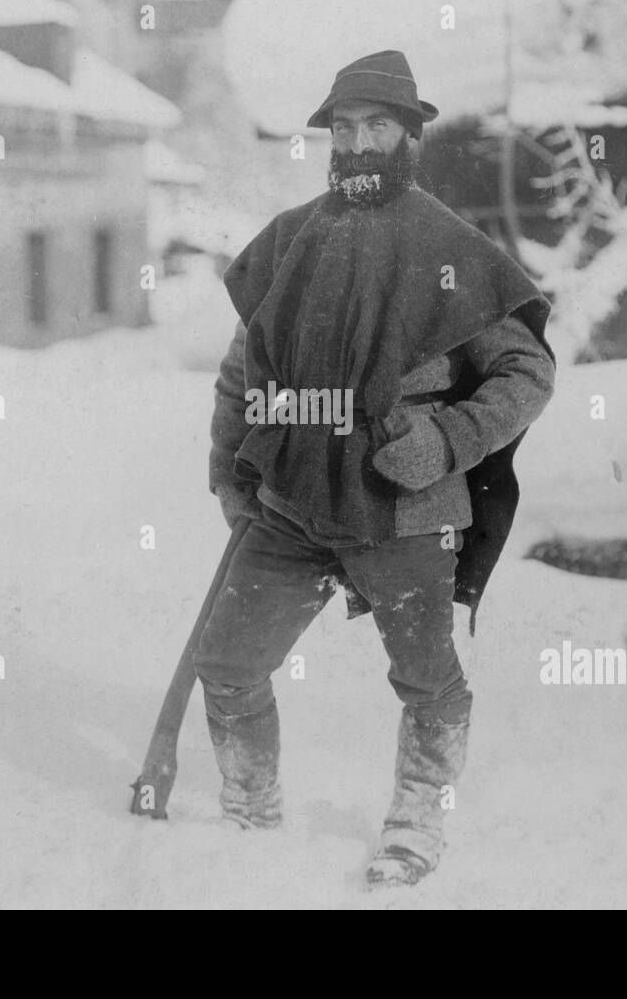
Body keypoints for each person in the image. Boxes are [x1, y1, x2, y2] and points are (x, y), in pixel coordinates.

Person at [196, 49, 556, 887]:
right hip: (289, 498)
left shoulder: (453, 248)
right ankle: (250, 812)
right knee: (229, 662)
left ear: (409, 137)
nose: (359, 143)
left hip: (405, 503)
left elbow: (528, 373)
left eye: (377, 126)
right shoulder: (290, 238)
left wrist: (449, 441)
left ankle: (417, 822)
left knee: (427, 679)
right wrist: (229, 472)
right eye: (346, 127)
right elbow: (240, 371)